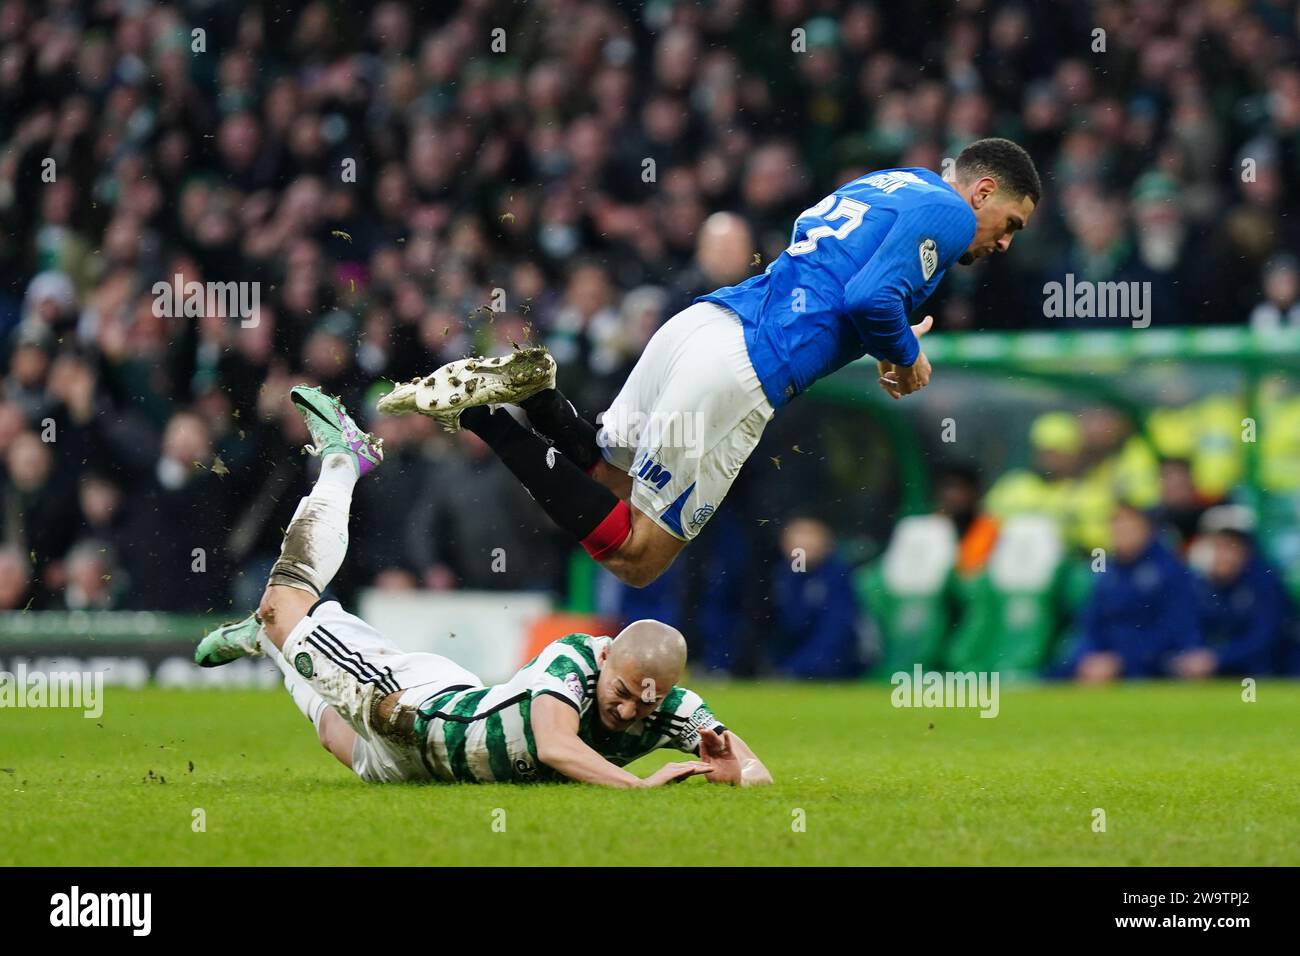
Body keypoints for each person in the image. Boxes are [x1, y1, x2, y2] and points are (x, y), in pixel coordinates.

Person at [379, 138, 1041, 587]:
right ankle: (490, 420)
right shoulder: (951, 214)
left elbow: (838, 276)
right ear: (982, 191)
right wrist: (906, 353)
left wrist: (884, 336)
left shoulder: (893, 184)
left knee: (614, 477)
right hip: (744, 370)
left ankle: (543, 401)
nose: (1006, 241)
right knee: (638, 560)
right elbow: (870, 297)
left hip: (701, 325)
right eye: (1010, 222)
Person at [194, 386, 772, 789]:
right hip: (417, 714)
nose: (626, 710)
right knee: (281, 607)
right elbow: (553, 745)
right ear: (607, 656)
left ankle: (270, 645)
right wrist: (638, 785)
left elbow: (754, 769)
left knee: (331, 733)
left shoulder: (661, 702)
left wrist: (735, 773)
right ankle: (344, 456)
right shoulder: (576, 659)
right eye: (621, 690)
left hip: (428, 761)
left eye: (643, 701)